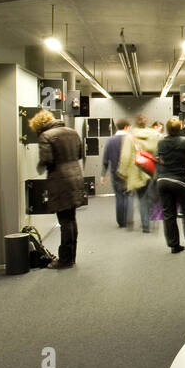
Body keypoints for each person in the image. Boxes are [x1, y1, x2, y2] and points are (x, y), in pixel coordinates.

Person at [30, 109, 87, 268]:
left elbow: (47, 159)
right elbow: (81, 154)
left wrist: (40, 166)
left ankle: (65, 259)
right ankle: (71, 256)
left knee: (64, 221)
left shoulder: (45, 136)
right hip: (76, 177)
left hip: (60, 181)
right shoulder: (72, 132)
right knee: (71, 219)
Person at [155, 116, 185, 253]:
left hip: (162, 181)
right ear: (180, 128)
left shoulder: (161, 143)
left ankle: (174, 246)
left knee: (168, 214)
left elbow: (159, 159)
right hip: (178, 180)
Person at [124, 115, 160, 233]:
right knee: (151, 197)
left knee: (141, 198)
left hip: (137, 170)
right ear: (146, 122)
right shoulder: (154, 135)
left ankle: (144, 224)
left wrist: (123, 172)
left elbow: (125, 156)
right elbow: (159, 151)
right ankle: (150, 220)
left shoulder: (130, 136)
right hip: (151, 169)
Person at [100, 118, 134, 228]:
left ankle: (121, 222)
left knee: (119, 196)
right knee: (128, 195)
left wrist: (103, 174)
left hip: (115, 172)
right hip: (129, 172)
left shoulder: (110, 140)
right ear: (126, 127)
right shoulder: (131, 139)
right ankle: (129, 220)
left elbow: (106, 159)